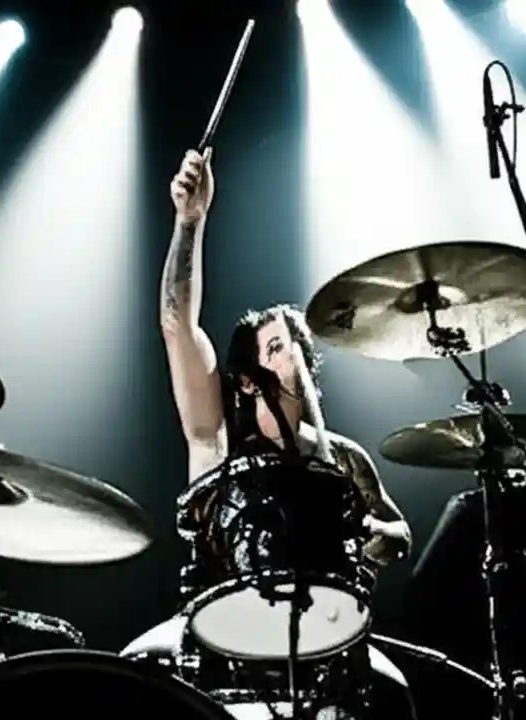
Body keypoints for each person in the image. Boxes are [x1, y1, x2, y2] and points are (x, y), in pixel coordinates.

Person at [119, 148, 415, 718]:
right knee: (131, 676)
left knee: (397, 694)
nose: (294, 355)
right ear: (250, 380)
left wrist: (377, 535)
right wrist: (190, 221)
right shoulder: (217, 439)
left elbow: (396, 526)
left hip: (326, 635)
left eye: (297, 345)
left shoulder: (342, 459)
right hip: (214, 634)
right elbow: (176, 322)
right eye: (276, 347)